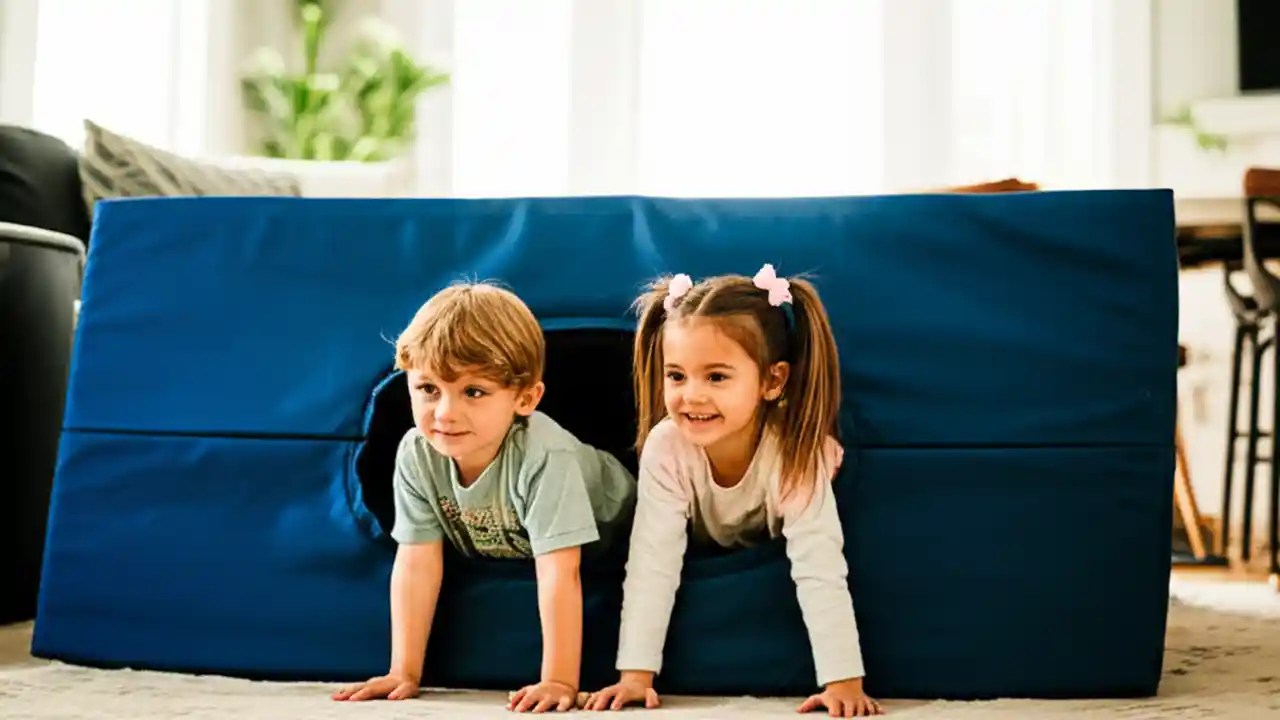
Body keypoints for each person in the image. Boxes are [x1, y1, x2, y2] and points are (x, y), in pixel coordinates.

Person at [586, 264, 882, 716]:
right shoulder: (667, 447)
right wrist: (635, 675)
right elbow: (653, 560)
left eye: (717, 377)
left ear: (773, 381)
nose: (691, 396)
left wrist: (843, 680)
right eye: (676, 376)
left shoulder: (794, 455)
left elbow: (819, 565)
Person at [331, 281, 636, 713]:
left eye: (474, 392)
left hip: (621, 527)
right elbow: (417, 561)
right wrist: (403, 671)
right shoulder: (417, 452)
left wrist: (558, 680)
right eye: (428, 389)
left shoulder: (545, 456)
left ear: (526, 398)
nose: (445, 413)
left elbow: (559, 573)